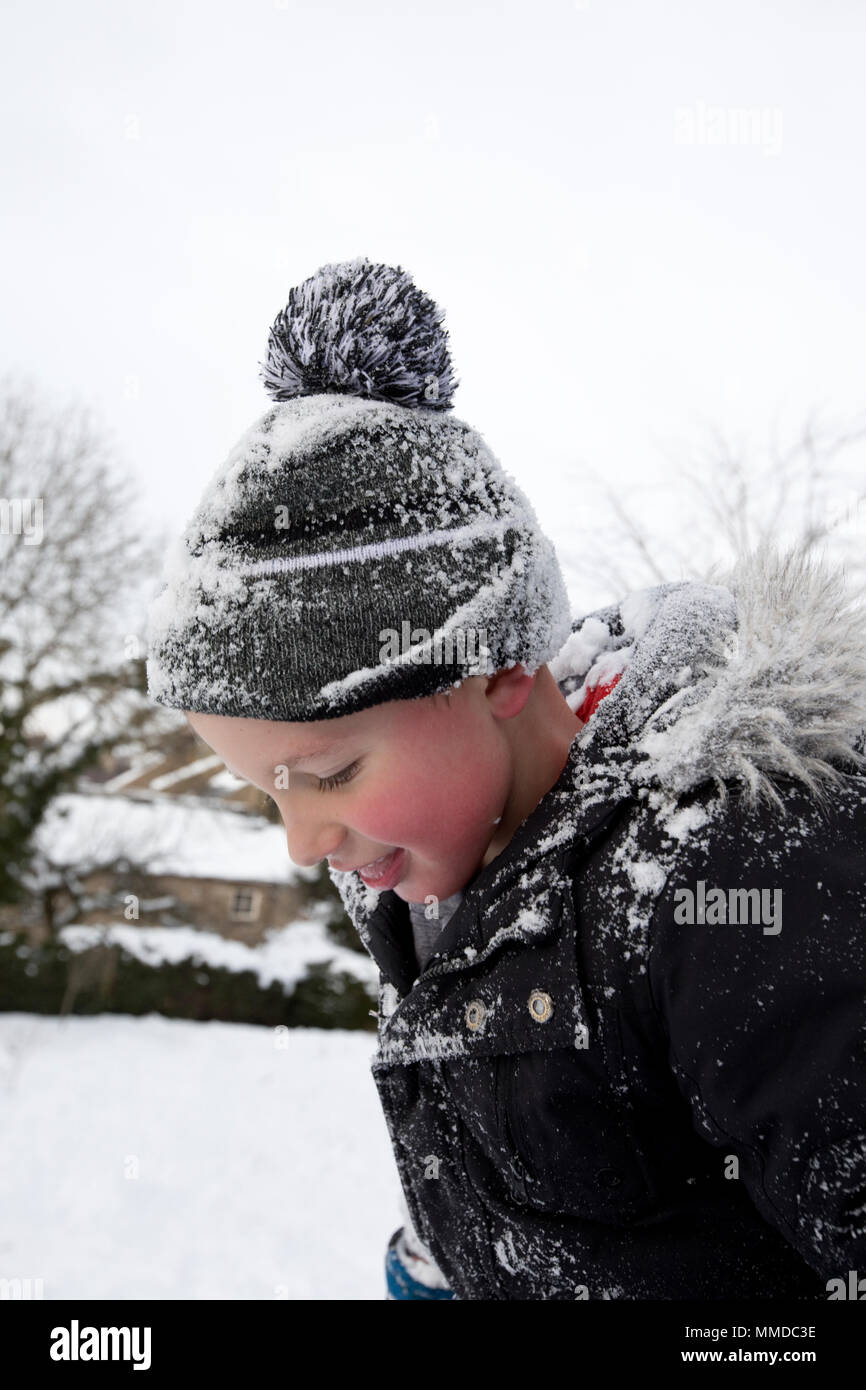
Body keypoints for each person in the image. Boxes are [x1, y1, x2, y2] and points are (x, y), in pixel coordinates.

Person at [146, 257, 866, 1300]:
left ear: (499, 670)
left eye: (332, 771)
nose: (303, 843)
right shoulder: (424, 880)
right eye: (271, 794)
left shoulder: (733, 872)